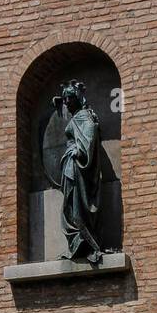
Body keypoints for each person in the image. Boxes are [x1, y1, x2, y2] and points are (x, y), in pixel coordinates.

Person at [55, 81, 103, 263]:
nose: (66, 102)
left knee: (76, 205)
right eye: (65, 99)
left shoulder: (83, 116)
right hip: (70, 166)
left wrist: (80, 151)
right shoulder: (77, 116)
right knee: (69, 204)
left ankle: (85, 241)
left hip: (77, 167)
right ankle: (77, 241)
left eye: (69, 98)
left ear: (76, 99)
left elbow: (90, 131)